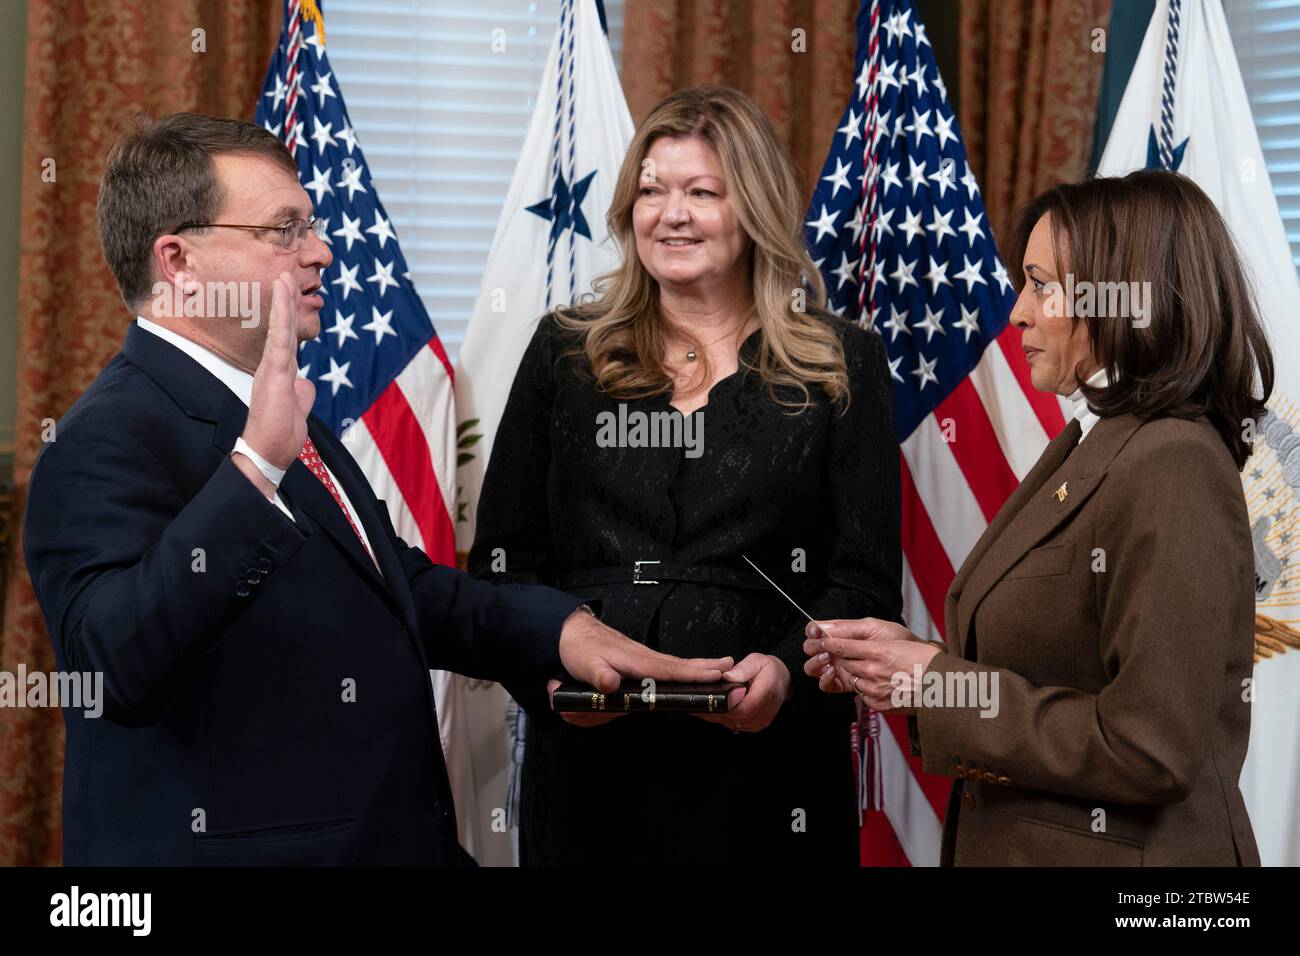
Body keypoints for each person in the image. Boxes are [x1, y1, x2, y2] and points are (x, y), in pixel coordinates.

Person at [23, 112, 727, 866]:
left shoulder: (274, 406)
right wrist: (255, 470)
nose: (322, 252)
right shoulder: (107, 436)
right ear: (179, 261)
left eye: (313, 226)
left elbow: (393, 586)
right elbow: (117, 672)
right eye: (284, 230)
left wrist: (560, 632)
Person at [469, 87, 902, 866]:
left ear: (756, 209)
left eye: (701, 192)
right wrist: (551, 677)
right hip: (589, 778)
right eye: (651, 191)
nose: (671, 214)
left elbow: (862, 583)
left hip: (771, 783)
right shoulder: (565, 353)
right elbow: (503, 564)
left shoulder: (844, 363)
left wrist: (783, 676)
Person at [804, 170, 1269, 866]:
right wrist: (901, 665)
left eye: (1042, 284)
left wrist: (938, 681)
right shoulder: (1099, 443)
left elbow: (1149, 748)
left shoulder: (1172, 462)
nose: (1017, 313)